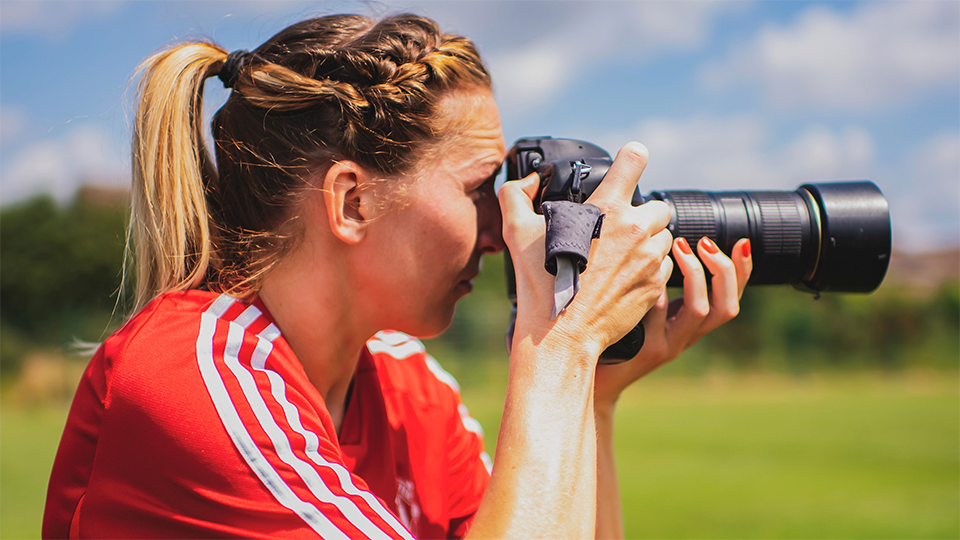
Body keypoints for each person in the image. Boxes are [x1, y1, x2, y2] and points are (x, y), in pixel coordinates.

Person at [43, 13, 752, 540]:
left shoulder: (410, 390)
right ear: (352, 200)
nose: (505, 233)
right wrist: (562, 349)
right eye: (481, 189)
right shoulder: (201, 379)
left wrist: (590, 399)